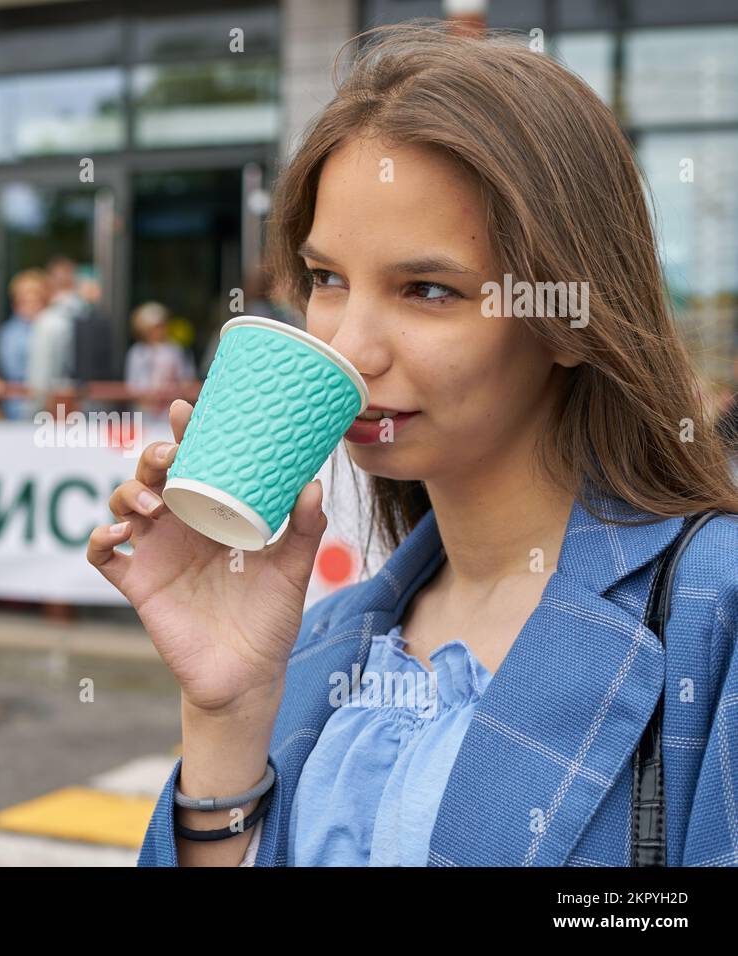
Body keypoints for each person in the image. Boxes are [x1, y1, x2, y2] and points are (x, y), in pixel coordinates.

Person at [87, 22, 738, 867]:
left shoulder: (711, 612)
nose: (350, 349)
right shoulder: (325, 637)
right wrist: (227, 714)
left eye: (428, 290)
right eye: (326, 280)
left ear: (572, 319)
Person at [25, 255, 87, 414]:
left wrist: (32, 412)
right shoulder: (94, 316)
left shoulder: (47, 321)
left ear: (50, 283)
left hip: (53, 414)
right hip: (90, 413)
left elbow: (40, 378)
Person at [124, 302, 194, 432]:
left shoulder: (174, 350)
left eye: (162, 326)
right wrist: (147, 396)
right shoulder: (137, 352)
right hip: (144, 412)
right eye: (155, 327)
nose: (159, 330)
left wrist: (172, 393)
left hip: (168, 411)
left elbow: (186, 378)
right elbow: (132, 384)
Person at [0, 268, 48, 420]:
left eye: (35, 300)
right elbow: (12, 370)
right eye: (25, 301)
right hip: (18, 410)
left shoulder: (53, 329)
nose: (30, 306)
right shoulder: (9, 333)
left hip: (50, 411)